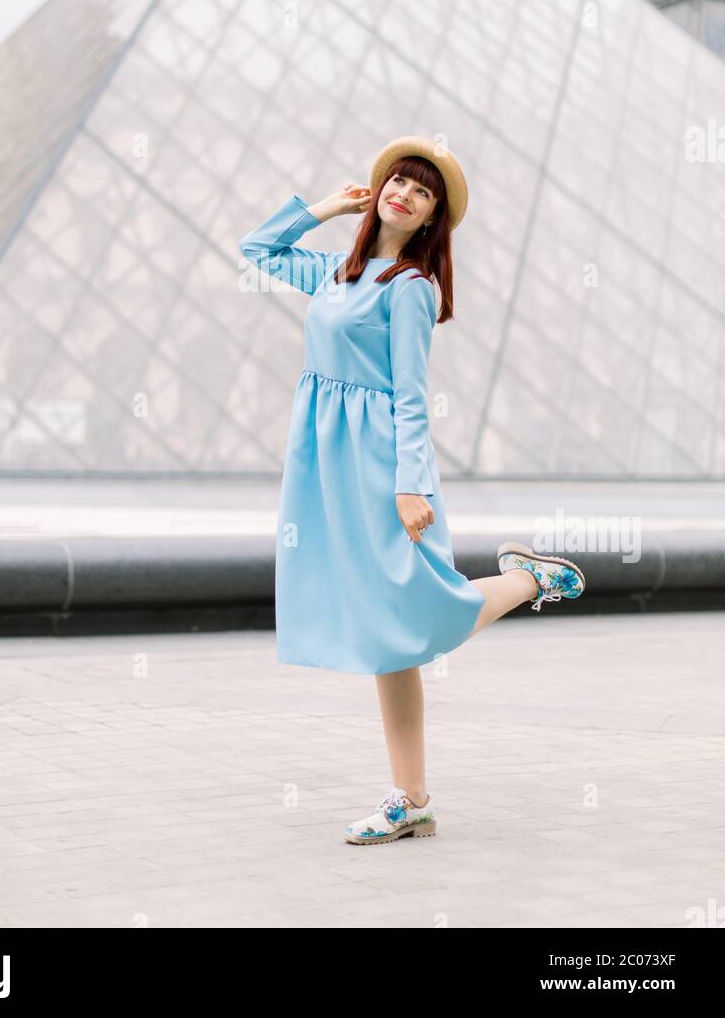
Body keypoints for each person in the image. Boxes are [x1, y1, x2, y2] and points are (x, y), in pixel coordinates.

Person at [238, 135, 585, 845]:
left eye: (422, 192)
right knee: (385, 634)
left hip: (376, 461)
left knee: (407, 613)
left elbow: (411, 396)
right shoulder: (337, 271)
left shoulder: (411, 289)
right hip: (326, 459)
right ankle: (413, 800)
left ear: (432, 218)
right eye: (398, 182)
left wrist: (409, 486)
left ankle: (527, 581)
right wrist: (327, 207)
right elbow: (258, 249)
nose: (404, 194)